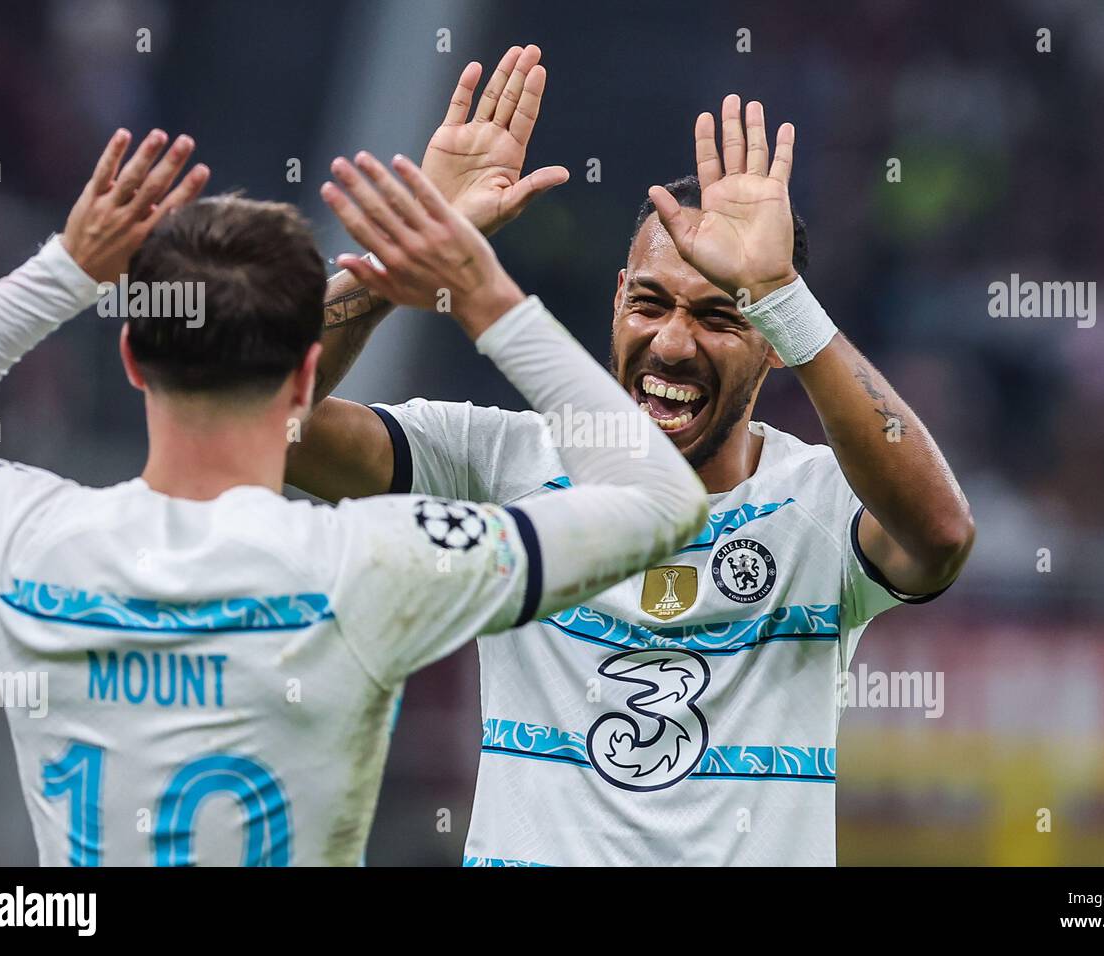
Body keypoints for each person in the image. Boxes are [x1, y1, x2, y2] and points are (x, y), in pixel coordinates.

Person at [0, 128, 706, 865]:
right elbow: (660, 498)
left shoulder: (24, 541)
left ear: (133, 360)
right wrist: (478, 290)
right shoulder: (375, 562)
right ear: (307, 379)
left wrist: (67, 272)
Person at [288, 50, 976, 864]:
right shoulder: (500, 463)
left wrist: (784, 296)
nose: (674, 343)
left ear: (777, 343)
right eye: (649, 303)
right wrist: (397, 265)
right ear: (617, 300)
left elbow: (940, 535)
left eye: (722, 316)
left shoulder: (821, 505)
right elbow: (273, 421)